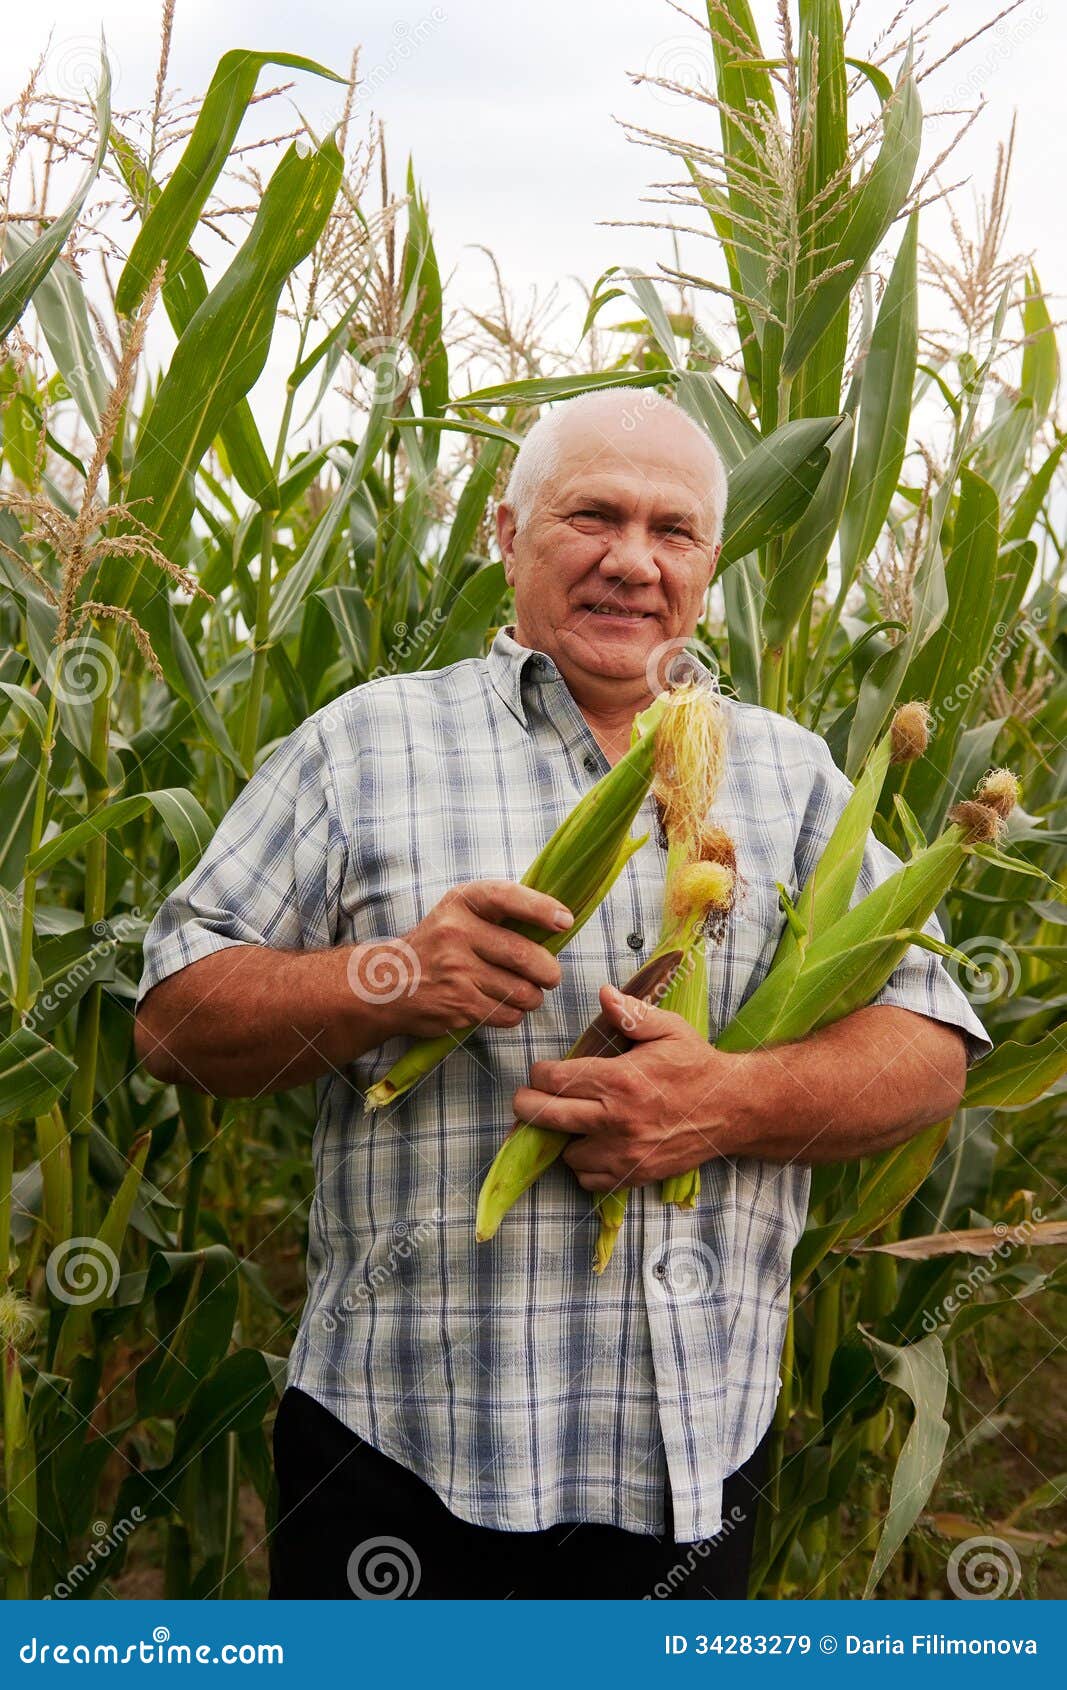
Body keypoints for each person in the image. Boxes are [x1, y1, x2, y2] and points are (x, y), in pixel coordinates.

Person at [134, 387, 989, 1600]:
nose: (630, 561)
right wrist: (389, 979)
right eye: (589, 516)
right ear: (504, 532)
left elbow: (930, 1047)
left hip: (692, 1469)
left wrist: (727, 1101)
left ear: (710, 562)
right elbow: (173, 1020)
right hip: (401, 1458)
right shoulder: (361, 745)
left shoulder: (792, 777)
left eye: (672, 530)